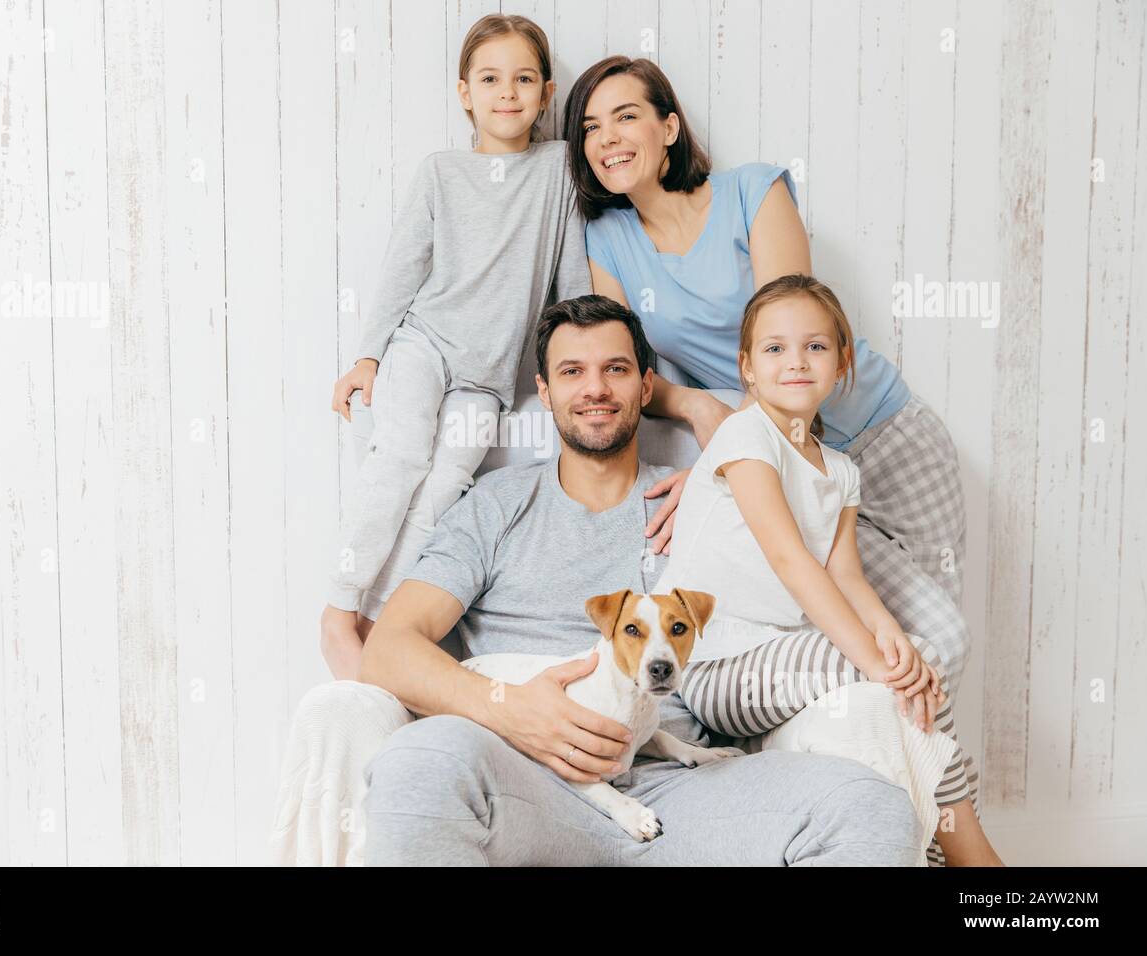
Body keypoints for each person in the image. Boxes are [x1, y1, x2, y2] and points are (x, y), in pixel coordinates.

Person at [350, 295, 926, 865]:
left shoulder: (706, 496)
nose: (595, 389)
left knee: (868, 808)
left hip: (682, 786)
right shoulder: (494, 507)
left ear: (646, 388)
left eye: (616, 369)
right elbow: (388, 650)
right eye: (572, 372)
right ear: (545, 390)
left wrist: (705, 469)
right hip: (527, 778)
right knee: (420, 761)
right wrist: (509, 710)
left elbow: (804, 552)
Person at [563, 55, 973, 689]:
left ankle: (924, 786)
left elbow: (786, 330)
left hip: (884, 438)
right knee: (875, 646)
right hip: (793, 470)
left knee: (933, 641)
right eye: (590, 127)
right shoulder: (608, 237)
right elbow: (629, 368)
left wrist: (724, 451)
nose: (607, 138)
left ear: (670, 127)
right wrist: (699, 408)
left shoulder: (754, 191)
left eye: (626, 116)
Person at [655, 273, 1003, 866]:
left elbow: (847, 575)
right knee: (901, 676)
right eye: (775, 348)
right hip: (716, 664)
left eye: (815, 346)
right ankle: (976, 860)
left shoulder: (840, 469)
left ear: (843, 363)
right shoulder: (746, 438)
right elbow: (791, 561)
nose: (796, 362)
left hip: (777, 657)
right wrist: (875, 661)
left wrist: (891, 639)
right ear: (746, 367)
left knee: (916, 666)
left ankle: (937, 855)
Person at [319, 14, 590, 680]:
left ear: (547, 91)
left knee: (445, 487)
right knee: (401, 457)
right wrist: (369, 356)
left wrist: (573, 365)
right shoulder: (441, 173)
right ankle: (337, 608)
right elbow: (403, 267)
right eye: (490, 79)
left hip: (488, 375)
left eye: (524, 78)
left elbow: (572, 275)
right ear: (465, 92)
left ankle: (379, 623)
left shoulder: (558, 171)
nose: (508, 92)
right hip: (425, 344)